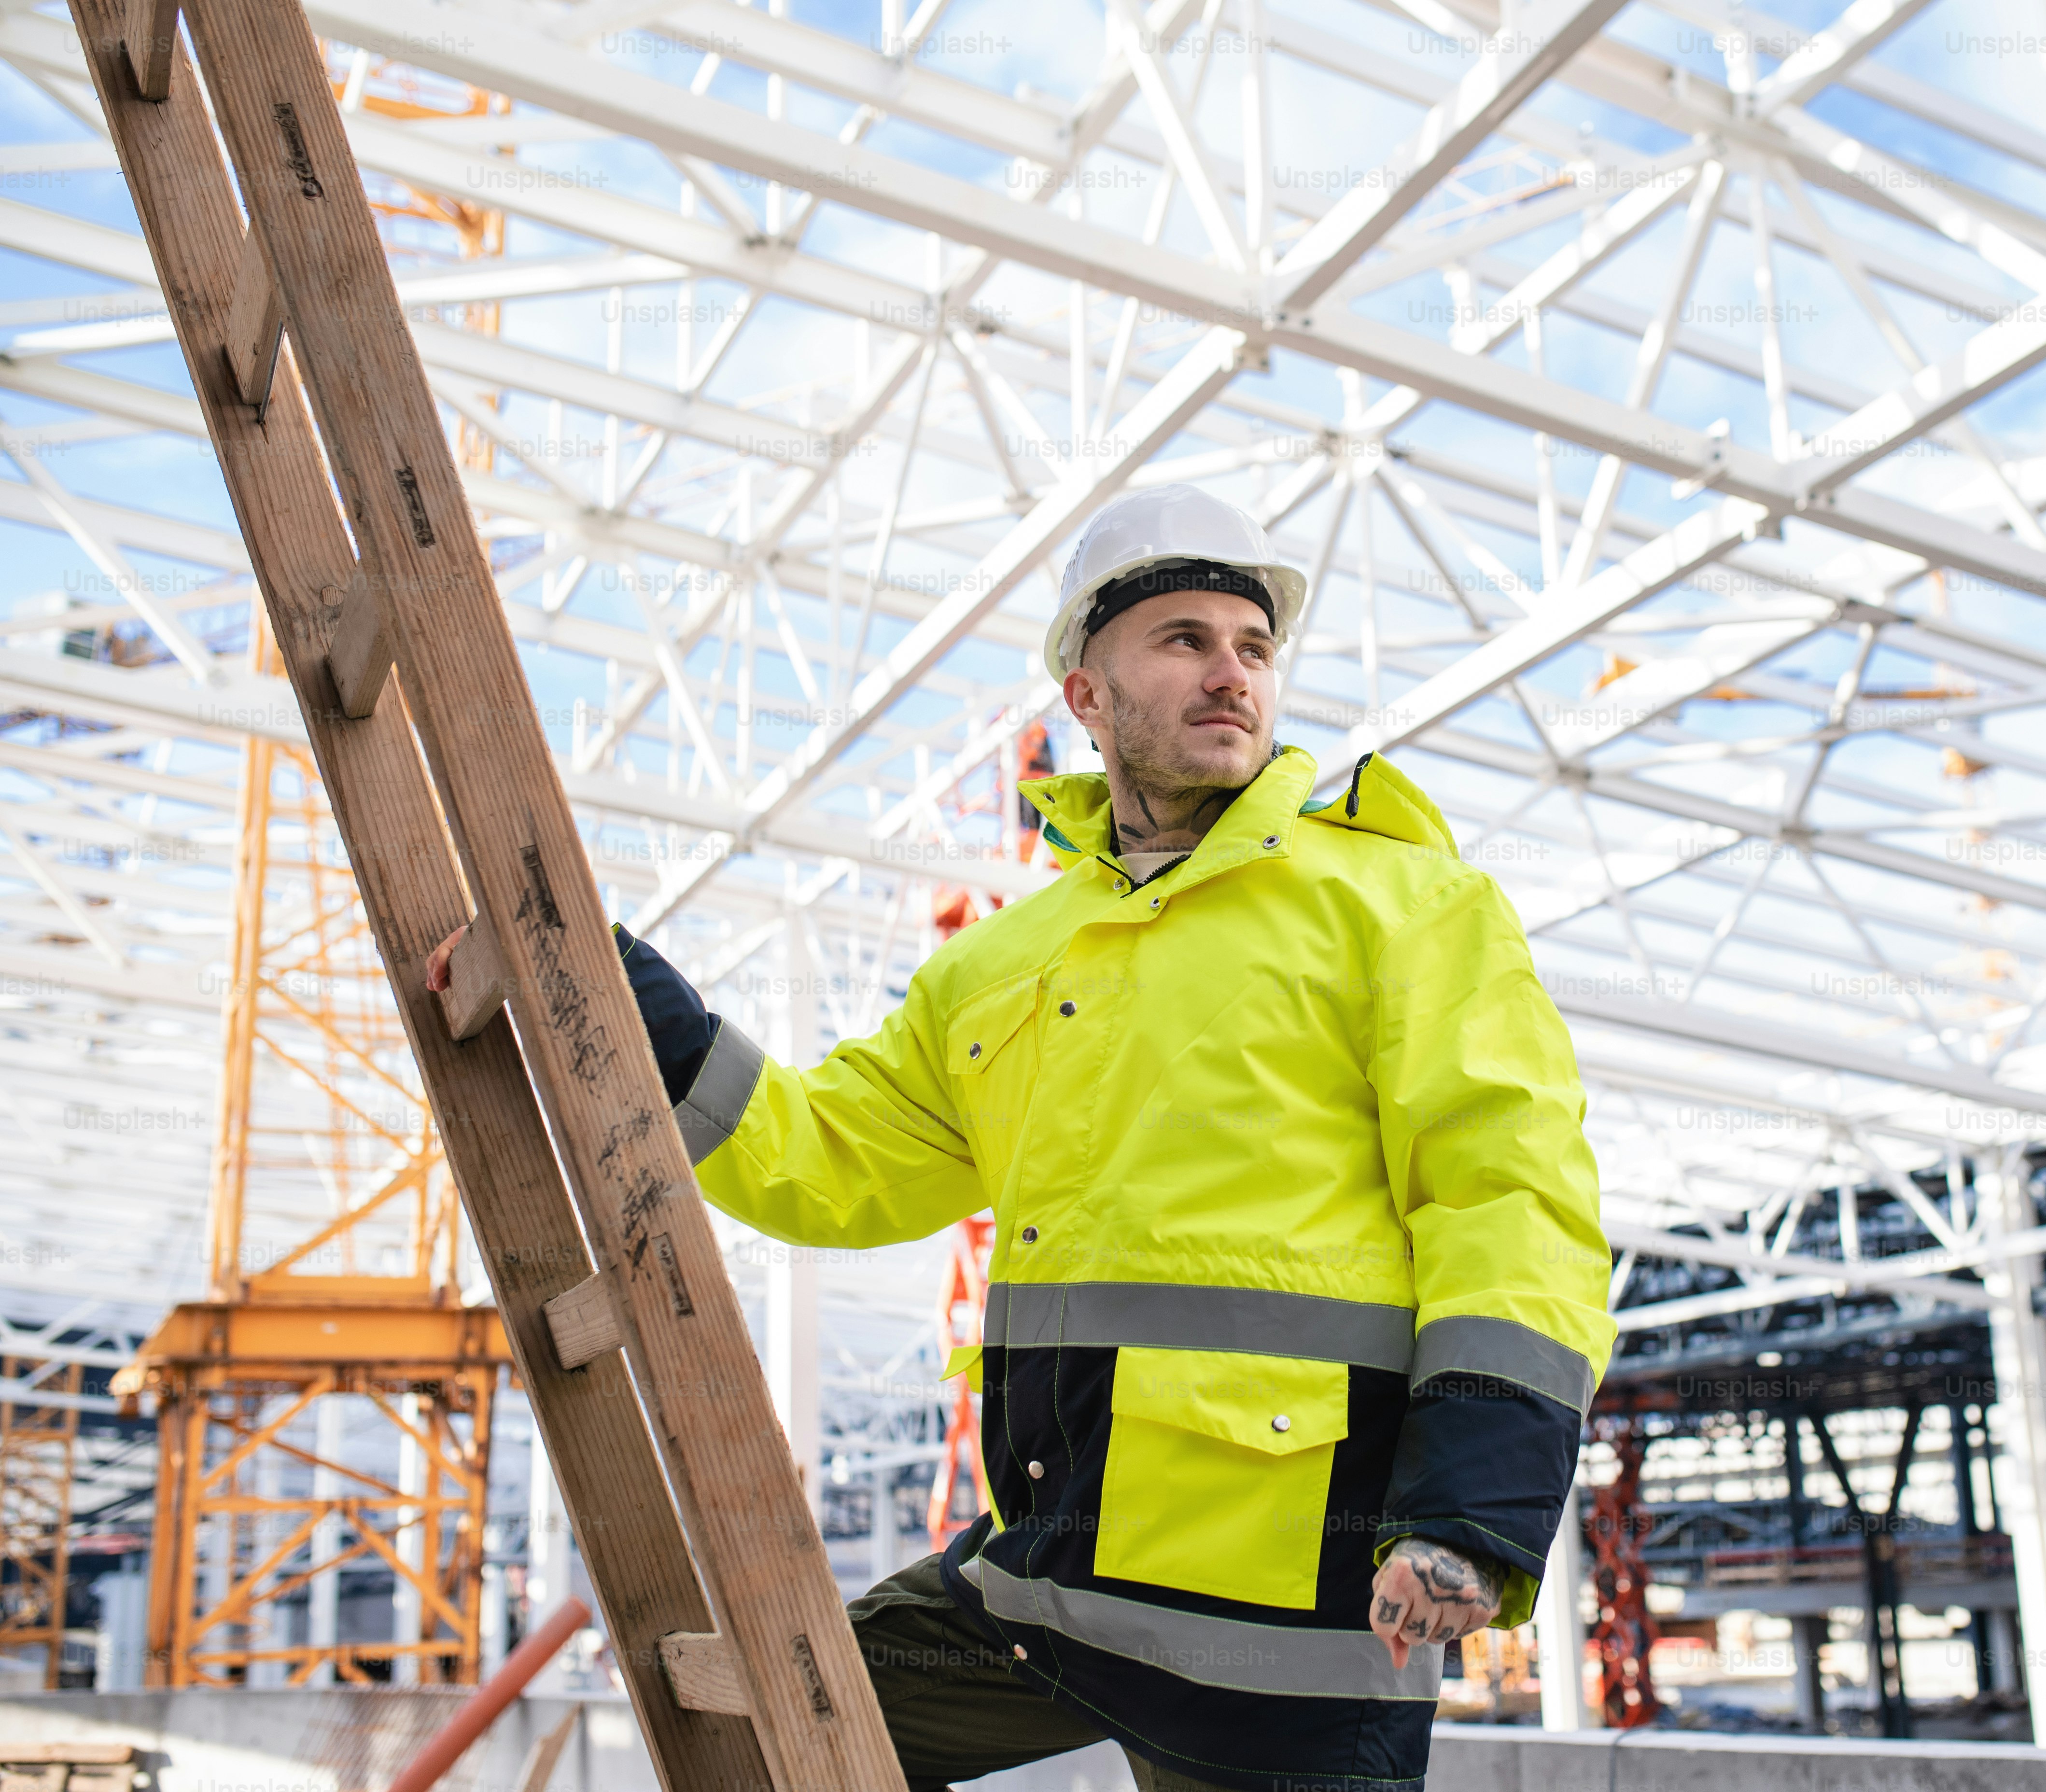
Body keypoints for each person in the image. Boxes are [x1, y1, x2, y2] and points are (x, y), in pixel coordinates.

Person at [430, 484, 1612, 1792]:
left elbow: (1509, 1204)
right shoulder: (1004, 965)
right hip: (1046, 1593)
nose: (1233, 674)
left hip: (1290, 1635)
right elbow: (822, 1158)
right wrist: (596, 981)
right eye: (1185, 640)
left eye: (1254, 647)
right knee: (770, 1737)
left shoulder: (1406, 906)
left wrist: (1468, 1517)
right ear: (1087, 699)